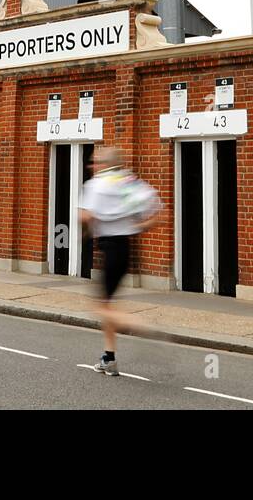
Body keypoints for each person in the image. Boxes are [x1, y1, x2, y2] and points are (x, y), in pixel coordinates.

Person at [78, 146, 164, 377]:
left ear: (106, 164)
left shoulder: (96, 185)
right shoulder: (130, 182)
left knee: (98, 307)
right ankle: (109, 358)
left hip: (110, 248)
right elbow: (159, 213)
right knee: (106, 304)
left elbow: (84, 215)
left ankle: (141, 326)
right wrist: (138, 226)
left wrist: (86, 228)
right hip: (126, 248)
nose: (91, 166)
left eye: (95, 162)